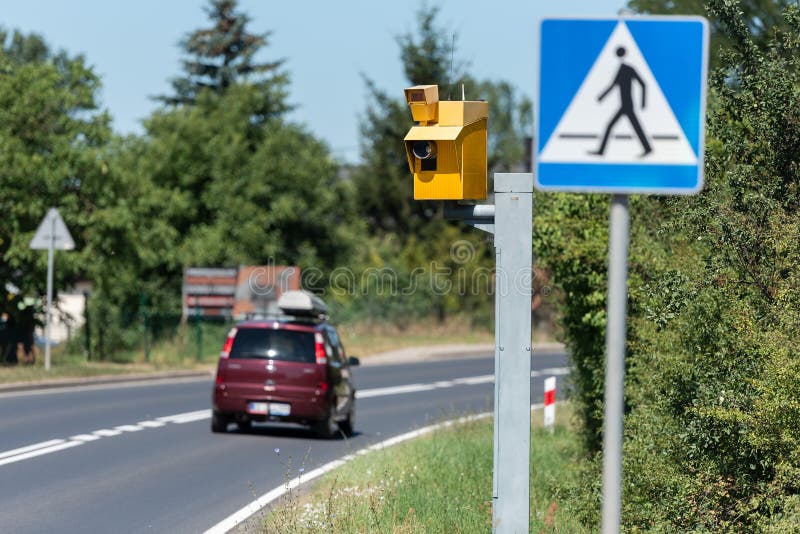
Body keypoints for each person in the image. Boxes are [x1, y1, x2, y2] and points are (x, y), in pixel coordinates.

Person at [590, 46, 652, 157]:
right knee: (628, 127)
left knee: (616, 126)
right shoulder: (620, 70)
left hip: (628, 105)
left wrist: (643, 103)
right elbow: (613, 85)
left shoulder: (629, 69)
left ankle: (601, 151)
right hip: (624, 105)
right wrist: (602, 97)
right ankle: (647, 149)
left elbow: (643, 84)